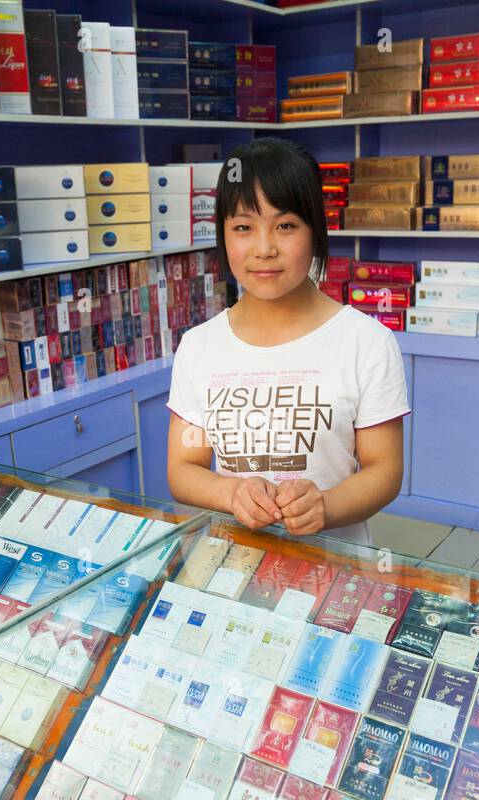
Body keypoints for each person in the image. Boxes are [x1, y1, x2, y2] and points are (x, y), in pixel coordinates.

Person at [166, 137, 409, 546]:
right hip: (233, 567)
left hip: (336, 573)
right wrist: (233, 492)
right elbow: (183, 469)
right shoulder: (198, 346)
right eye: (243, 227)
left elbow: (384, 470)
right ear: (223, 235)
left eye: (286, 226)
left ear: (315, 230)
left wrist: (326, 506)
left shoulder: (366, 342)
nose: (264, 249)